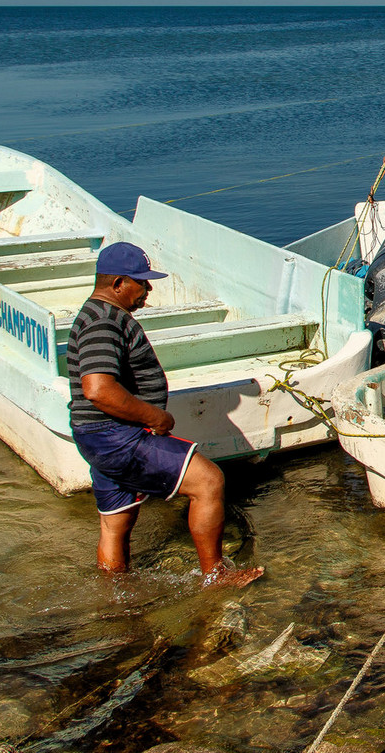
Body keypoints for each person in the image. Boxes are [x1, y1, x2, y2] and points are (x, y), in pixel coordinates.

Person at [66, 241, 263, 588]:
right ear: (118, 284)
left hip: (95, 437)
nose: (148, 290)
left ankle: (115, 595)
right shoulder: (105, 322)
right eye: (141, 282)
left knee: (115, 523)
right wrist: (154, 418)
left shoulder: (93, 314)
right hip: (118, 436)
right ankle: (216, 575)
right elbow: (97, 388)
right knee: (209, 482)